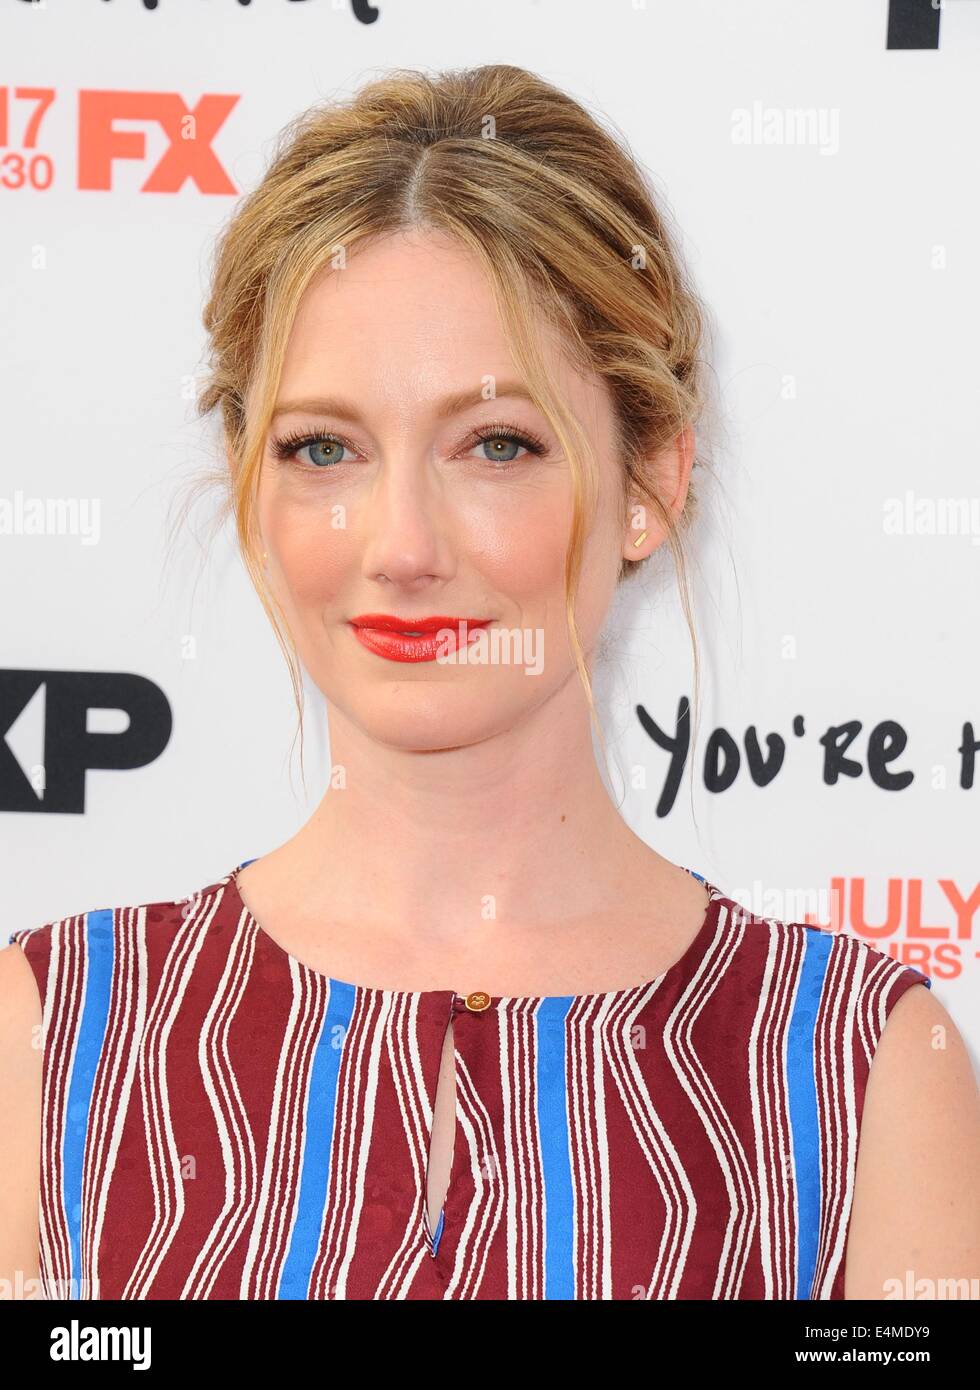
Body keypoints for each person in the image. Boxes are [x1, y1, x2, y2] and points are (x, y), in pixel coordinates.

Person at [1, 64, 977, 1302]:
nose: (400, 544)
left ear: (651, 482)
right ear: (248, 483)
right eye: (321, 449)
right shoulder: (53, 1036)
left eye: (495, 444)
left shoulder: (861, 1067)